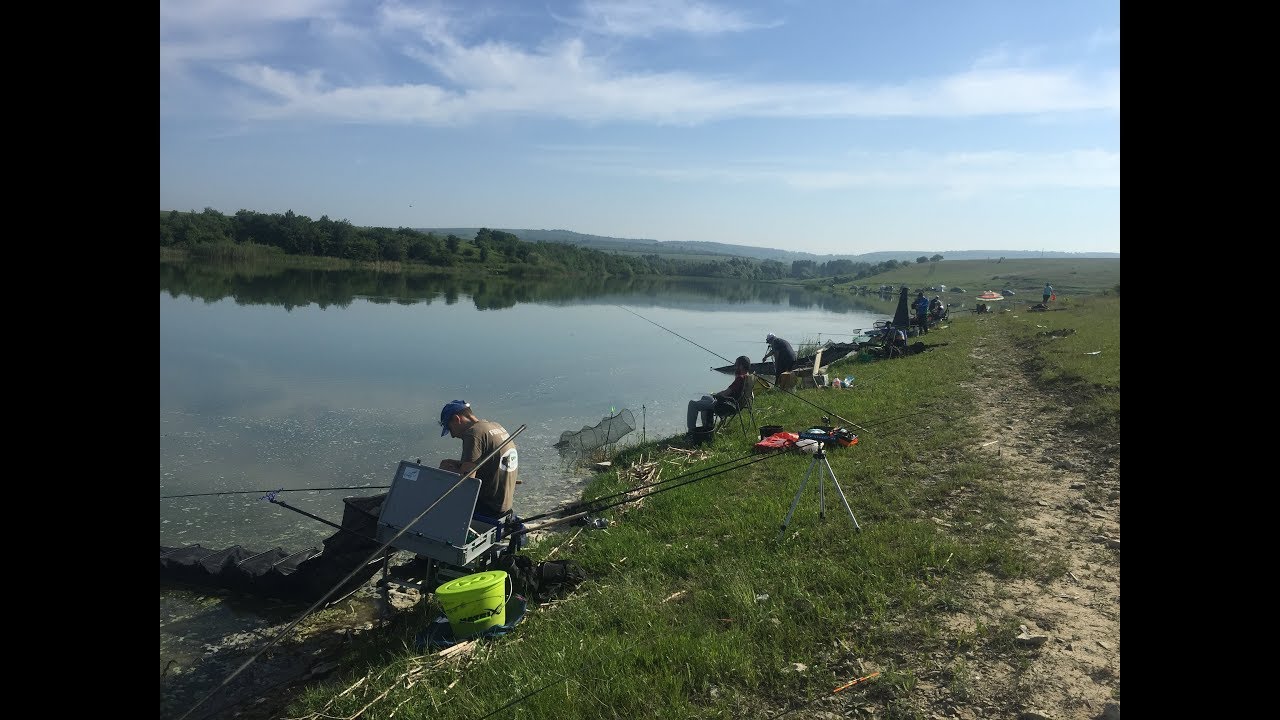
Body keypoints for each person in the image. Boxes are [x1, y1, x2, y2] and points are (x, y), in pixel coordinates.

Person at [438, 400, 519, 518]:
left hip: (489, 507)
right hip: (505, 504)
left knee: (439, 508)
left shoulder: (473, 434)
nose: (452, 435)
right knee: (447, 464)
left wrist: (446, 471)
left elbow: (467, 481)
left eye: (450, 429)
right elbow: (490, 463)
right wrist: (456, 464)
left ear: (457, 419)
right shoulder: (495, 426)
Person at [687, 356, 751, 433]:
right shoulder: (747, 376)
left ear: (741, 366)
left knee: (692, 404)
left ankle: (691, 431)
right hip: (733, 403)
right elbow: (733, 391)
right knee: (705, 397)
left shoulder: (740, 379)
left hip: (727, 405)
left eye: (736, 364)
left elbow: (726, 393)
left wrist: (716, 395)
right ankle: (707, 426)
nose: (735, 366)